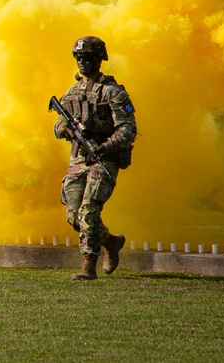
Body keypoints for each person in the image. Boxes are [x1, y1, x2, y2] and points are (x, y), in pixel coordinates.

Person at [53, 36, 137, 280]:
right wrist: (66, 130)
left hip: (104, 159)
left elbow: (128, 129)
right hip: (79, 159)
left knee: (89, 210)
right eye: (79, 57)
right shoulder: (72, 92)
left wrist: (103, 147)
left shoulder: (113, 93)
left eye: (87, 57)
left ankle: (88, 266)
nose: (82, 62)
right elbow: (58, 125)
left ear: (99, 60)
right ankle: (110, 242)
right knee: (74, 216)